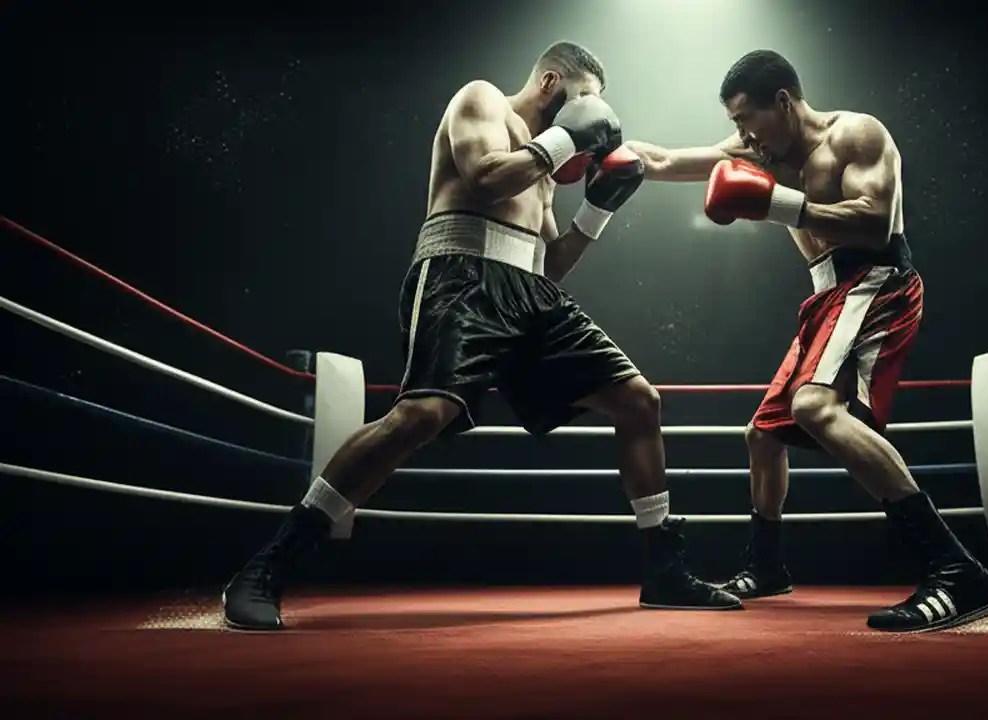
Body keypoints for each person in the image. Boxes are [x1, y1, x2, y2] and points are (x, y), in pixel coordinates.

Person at [222, 41, 742, 630]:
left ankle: (664, 570)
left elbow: (550, 263)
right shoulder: (483, 101)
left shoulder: (545, 165)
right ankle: (270, 564)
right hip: (460, 273)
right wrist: (565, 140)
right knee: (422, 415)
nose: (593, 123)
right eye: (587, 103)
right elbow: (486, 178)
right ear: (551, 82)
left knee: (638, 400)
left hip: (529, 292)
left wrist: (598, 207)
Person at [624, 50, 988, 632]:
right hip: (825, 296)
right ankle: (769, 565)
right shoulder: (756, 150)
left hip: (875, 278)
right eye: (734, 124)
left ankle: (955, 569)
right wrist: (593, 150)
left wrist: (774, 203)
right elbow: (665, 157)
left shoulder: (856, 134)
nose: (741, 136)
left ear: (784, 101)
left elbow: (875, 221)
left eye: (747, 119)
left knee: (814, 407)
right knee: (763, 435)